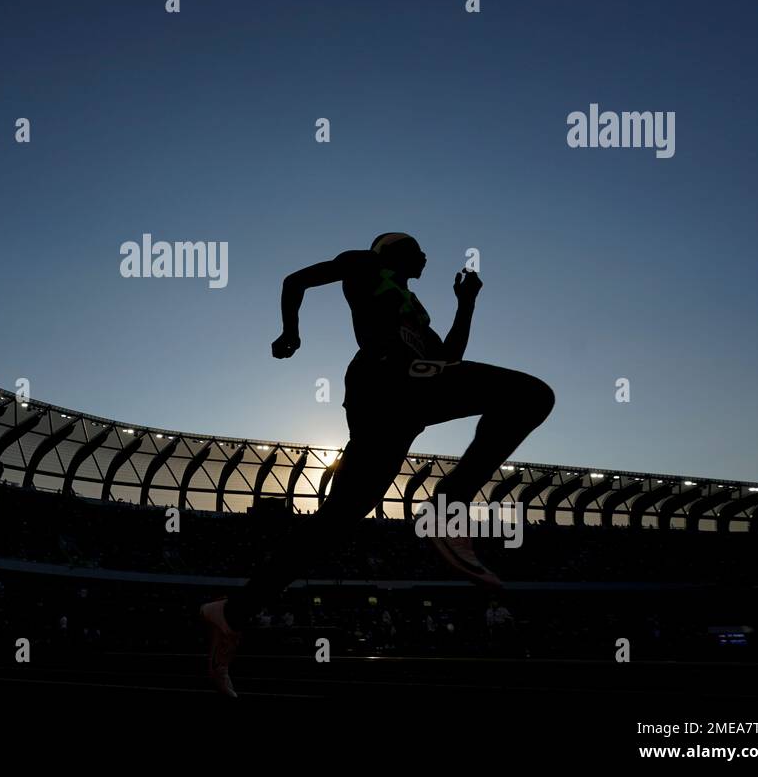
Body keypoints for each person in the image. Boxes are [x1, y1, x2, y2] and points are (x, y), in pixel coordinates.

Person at [200, 232, 555, 696]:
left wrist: (466, 304)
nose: (427, 254)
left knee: (336, 523)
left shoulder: (416, 309)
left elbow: (447, 359)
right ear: (393, 249)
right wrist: (291, 331)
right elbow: (296, 281)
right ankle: (448, 503)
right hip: (384, 376)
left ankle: (234, 612)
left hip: (405, 397)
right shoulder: (364, 262)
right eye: (417, 247)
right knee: (531, 394)